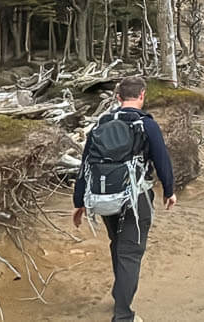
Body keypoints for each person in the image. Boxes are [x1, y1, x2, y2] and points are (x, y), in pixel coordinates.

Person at [72, 76, 177, 322]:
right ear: (142, 95)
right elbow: (162, 159)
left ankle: (120, 296)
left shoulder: (102, 123)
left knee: (118, 245)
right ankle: (123, 315)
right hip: (136, 196)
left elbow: (85, 164)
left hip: (104, 195)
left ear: (118, 97)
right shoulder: (146, 124)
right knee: (130, 252)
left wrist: (79, 202)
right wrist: (169, 190)